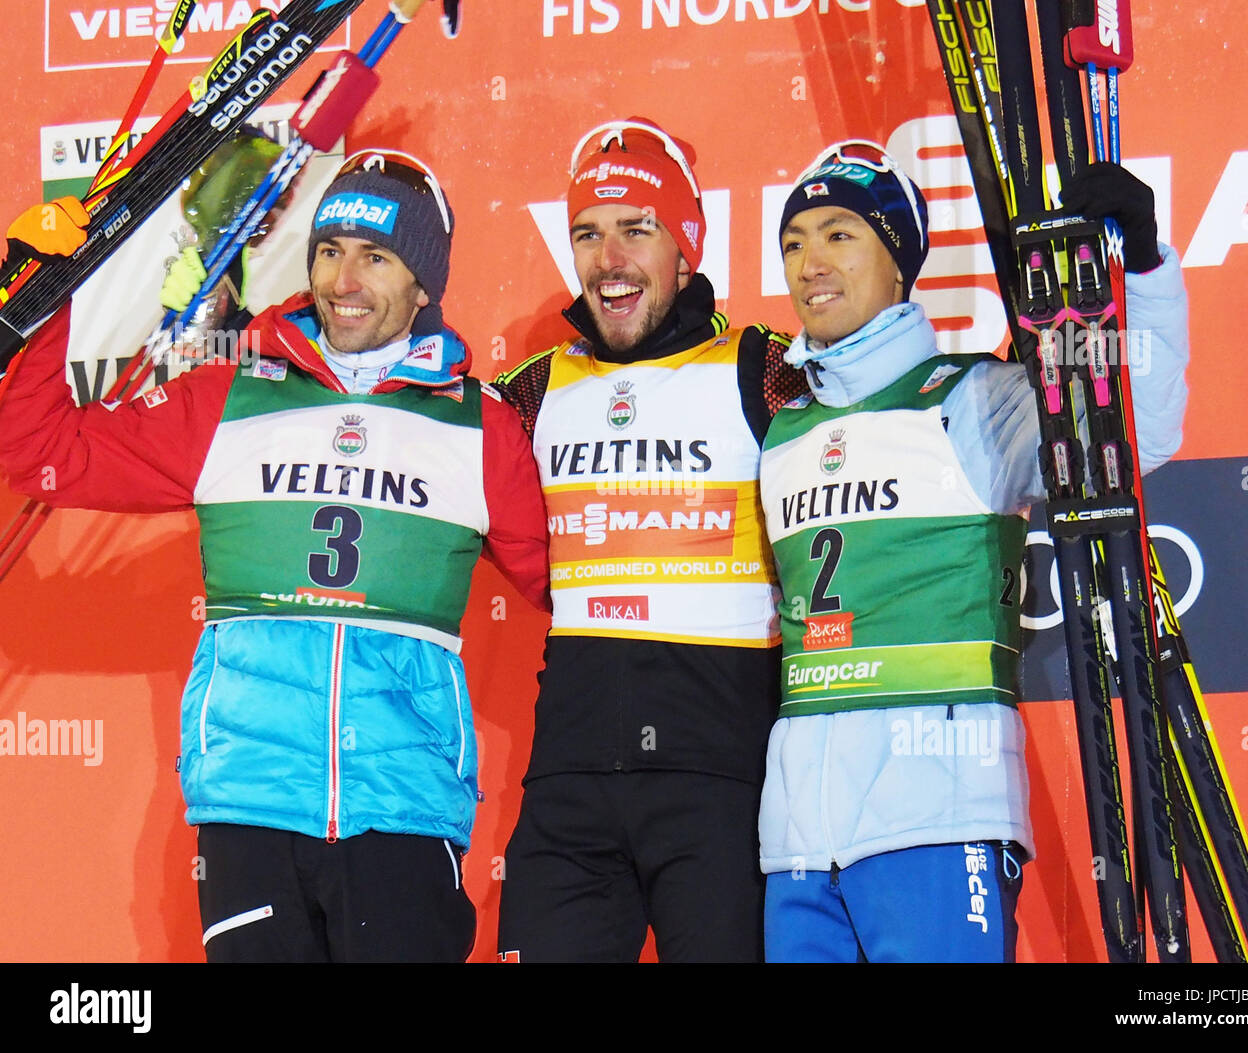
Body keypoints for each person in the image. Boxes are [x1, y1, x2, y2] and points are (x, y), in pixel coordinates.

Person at [0, 150, 549, 962]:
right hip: (252, 802)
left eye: (376, 256)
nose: (345, 280)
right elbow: (38, 448)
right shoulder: (228, 397)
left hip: (402, 807)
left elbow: (584, 588)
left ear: (425, 282)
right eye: (330, 250)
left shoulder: (482, 429)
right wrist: (43, 296)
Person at [758, 141, 1189, 962]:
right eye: (794, 241)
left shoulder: (975, 398)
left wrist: (1141, 266)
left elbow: (1137, 425)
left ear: (899, 260)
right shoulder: (784, 430)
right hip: (799, 849)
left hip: (939, 821)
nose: (810, 262)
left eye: (839, 235)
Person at [492, 118, 807, 962]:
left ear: (687, 246)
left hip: (717, 785)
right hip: (570, 786)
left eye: (638, 229)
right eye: (589, 235)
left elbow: (895, 416)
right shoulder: (530, 390)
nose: (609, 259)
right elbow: (398, 427)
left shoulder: (764, 369)